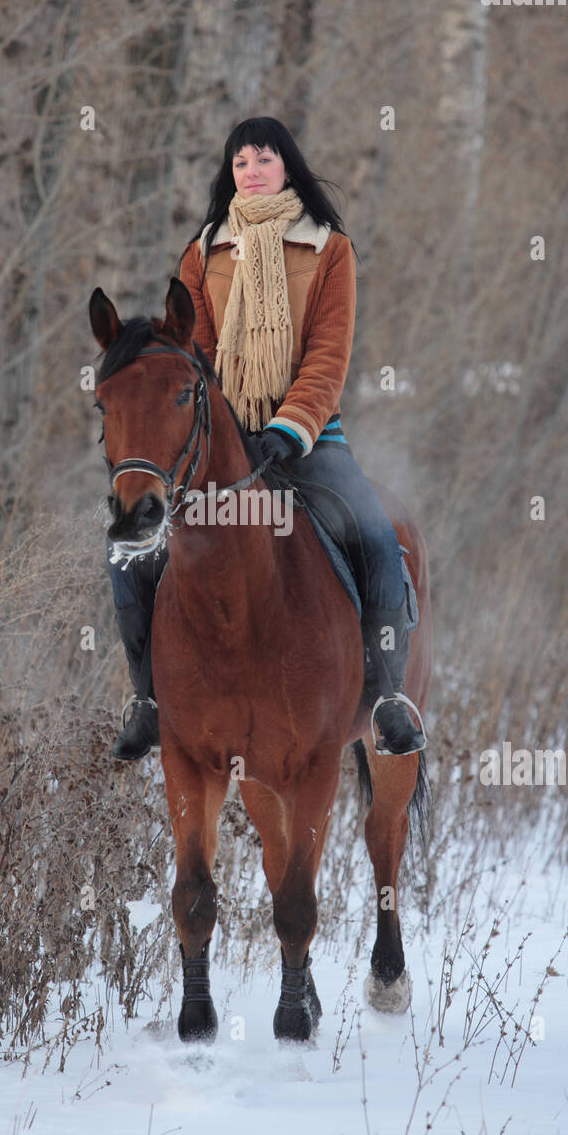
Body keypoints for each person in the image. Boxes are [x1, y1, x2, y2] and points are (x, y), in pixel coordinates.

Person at [106, 115, 425, 762]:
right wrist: (205, 432)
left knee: (373, 534)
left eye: (265, 159)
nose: (252, 171)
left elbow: (329, 355)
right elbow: (188, 358)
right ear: (231, 175)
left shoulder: (329, 249)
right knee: (130, 551)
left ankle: (388, 694)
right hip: (219, 443)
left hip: (309, 440)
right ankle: (147, 700)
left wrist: (290, 427)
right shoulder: (202, 253)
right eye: (241, 162)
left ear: (289, 168)